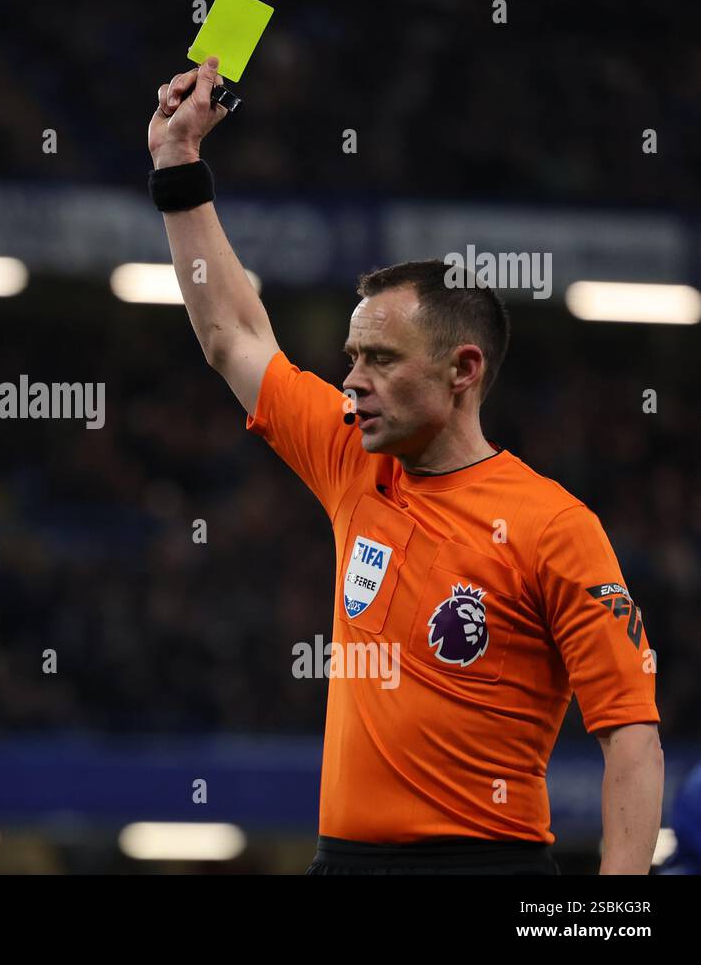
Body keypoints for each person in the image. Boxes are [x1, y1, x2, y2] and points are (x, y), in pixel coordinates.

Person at [147, 56, 662, 874]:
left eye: (380, 358)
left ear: (463, 371)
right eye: (352, 355)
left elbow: (630, 738)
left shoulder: (556, 527)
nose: (352, 380)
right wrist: (178, 167)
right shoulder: (353, 455)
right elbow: (230, 335)